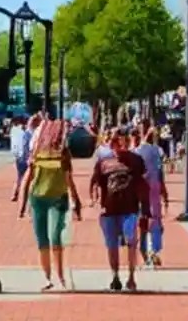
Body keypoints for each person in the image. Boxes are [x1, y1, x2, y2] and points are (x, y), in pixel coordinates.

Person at [17, 119, 82, 291]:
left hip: (56, 199)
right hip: (39, 199)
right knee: (44, 240)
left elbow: (68, 179)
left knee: (54, 238)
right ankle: (48, 278)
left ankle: (59, 277)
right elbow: (28, 179)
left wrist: (76, 201)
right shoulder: (37, 153)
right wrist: (22, 204)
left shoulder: (63, 154)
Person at [90, 129, 150, 291]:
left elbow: (143, 185)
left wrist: (145, 211)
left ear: (127, 142)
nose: (117, 145)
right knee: (112, 245)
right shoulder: (104, 163)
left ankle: (131, 277)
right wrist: (95, 202)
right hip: (109, 210)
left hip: (129, 209)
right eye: (114, 142)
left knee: (131, 241)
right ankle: (115, 276)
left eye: (120, 141)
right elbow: (95, 183)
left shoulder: (136, 160)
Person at [136, 127, 169, 268]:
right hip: (153, 190)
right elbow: (160, 172)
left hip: (141, 190)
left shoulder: (136, 151)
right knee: (155, 222)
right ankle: (153, 250)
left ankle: (145, 251)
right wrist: (164, 193)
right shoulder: (157, 151)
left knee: (143, 223)